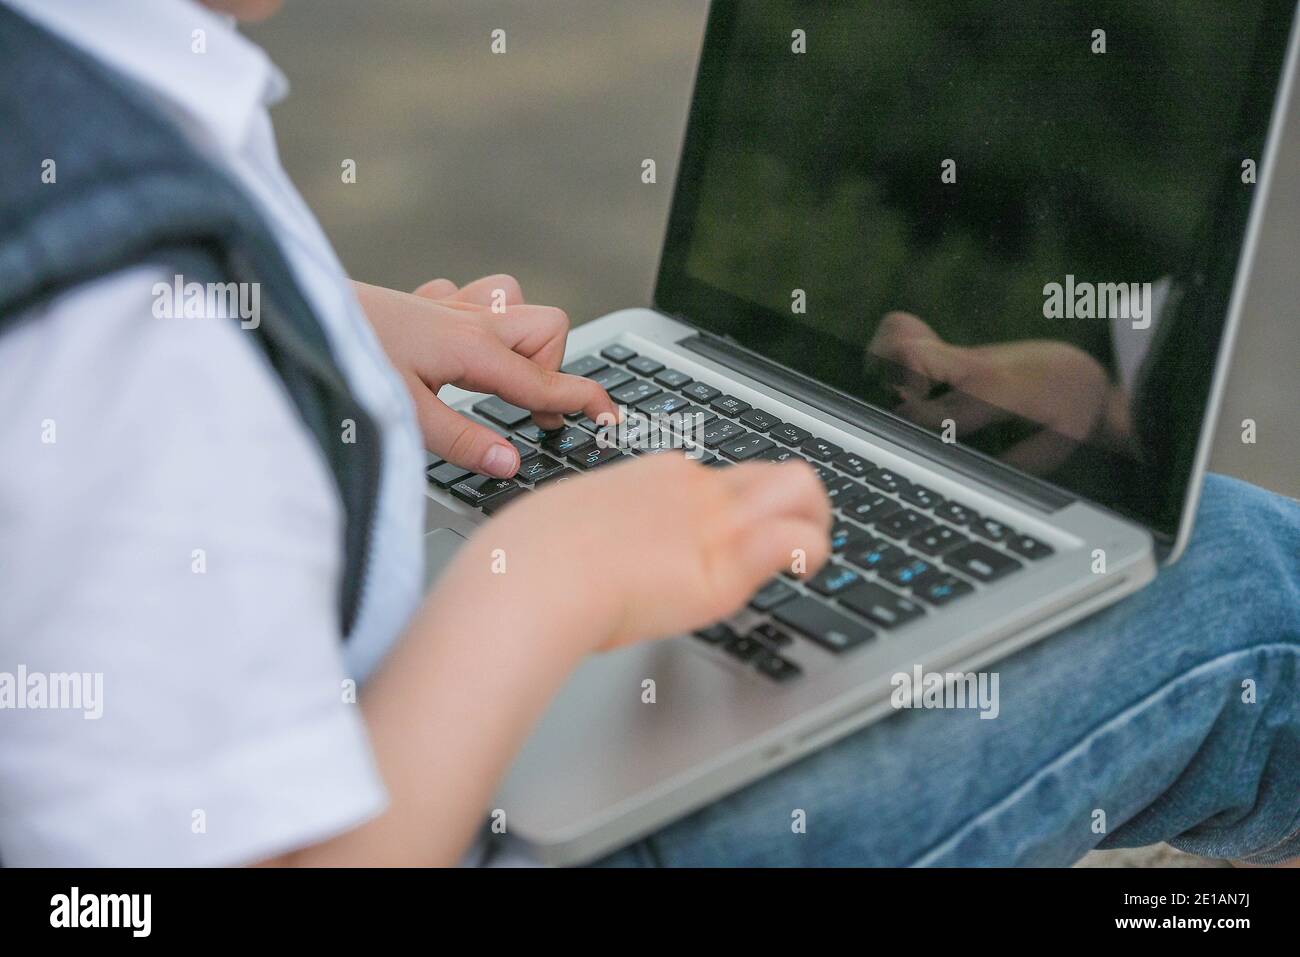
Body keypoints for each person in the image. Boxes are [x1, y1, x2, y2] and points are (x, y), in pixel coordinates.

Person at [0, 0, 1294, 868]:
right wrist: (548, 580)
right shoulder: (129, 316)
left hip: (367, 690)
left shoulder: (80, 94)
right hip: (474, 822)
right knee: (1246, 590)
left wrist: (305, 343)